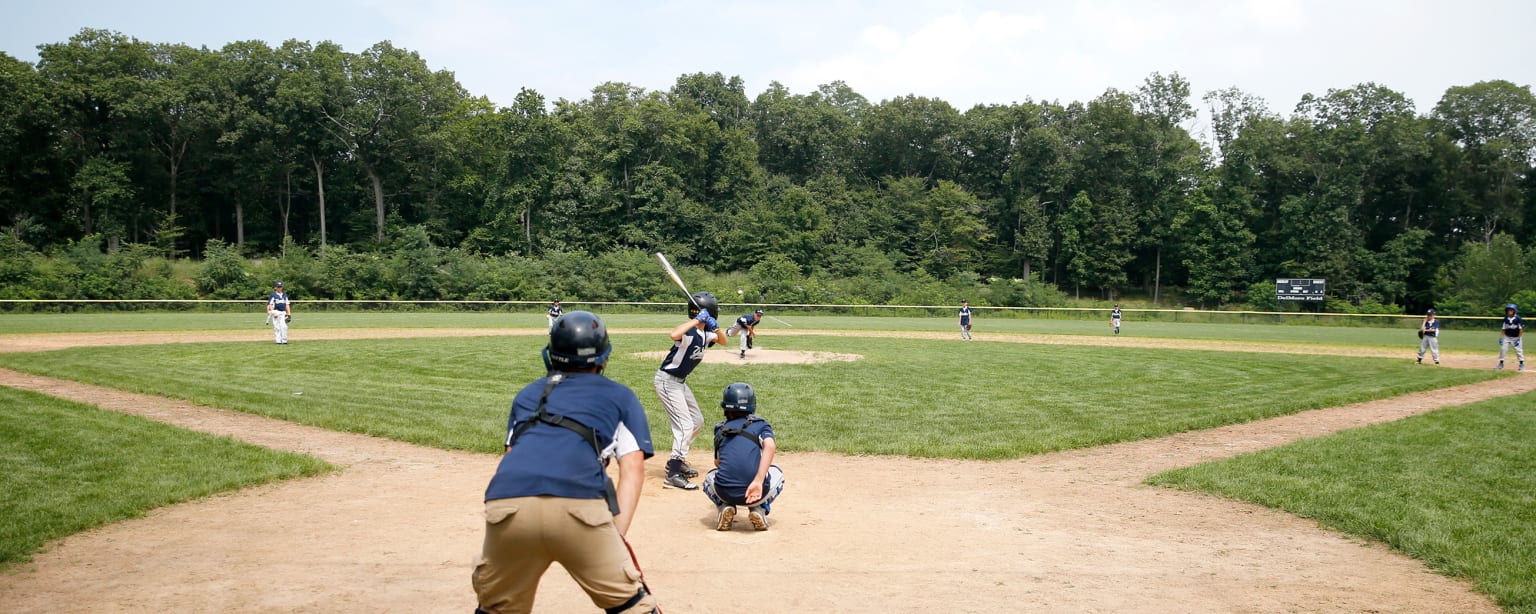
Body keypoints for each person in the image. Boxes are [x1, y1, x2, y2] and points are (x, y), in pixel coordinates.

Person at [473, 311, 659, 614]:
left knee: (497, 608)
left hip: (508, 505)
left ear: (552, 354)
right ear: (604, 358)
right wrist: (617, 535)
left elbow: (512, 456)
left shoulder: (526, 395)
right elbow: (633, 468)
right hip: (579, 503)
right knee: (632, 606)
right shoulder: (619, 396)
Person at [654, 291, 727, 490]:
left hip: (680, 383)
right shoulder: (690, 332)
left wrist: (716, 327)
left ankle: (677, 458)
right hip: (667, 382)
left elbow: (723, 341)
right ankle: (672, 474)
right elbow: (674, 334)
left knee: (697, 422)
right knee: (685, 425)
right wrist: (697, 320)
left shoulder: (704, 334)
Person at [702, 382, 784, 531]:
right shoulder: (761, 424)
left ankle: (724, 507)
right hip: (758, 492)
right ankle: (759, 508)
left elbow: (718, 462)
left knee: (709, 478)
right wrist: (758, 480)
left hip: (725, 492)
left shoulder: (720, 428)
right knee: (777, 472)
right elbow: (770, 446)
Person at [1496, 303, 1524, 371]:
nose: (1509, 312)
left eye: (1511, 310)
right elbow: (1503, 329)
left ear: (1514, 311)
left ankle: (1521, 364)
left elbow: (1521, 330)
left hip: (1516, 337)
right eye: (1508, 310)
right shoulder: (1506, 318)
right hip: (1507, 337)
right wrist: (1501, 337)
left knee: (1519, 351)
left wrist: (1518, 339)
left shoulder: (1518, 319)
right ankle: (1501, 363)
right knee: (1503, 349)